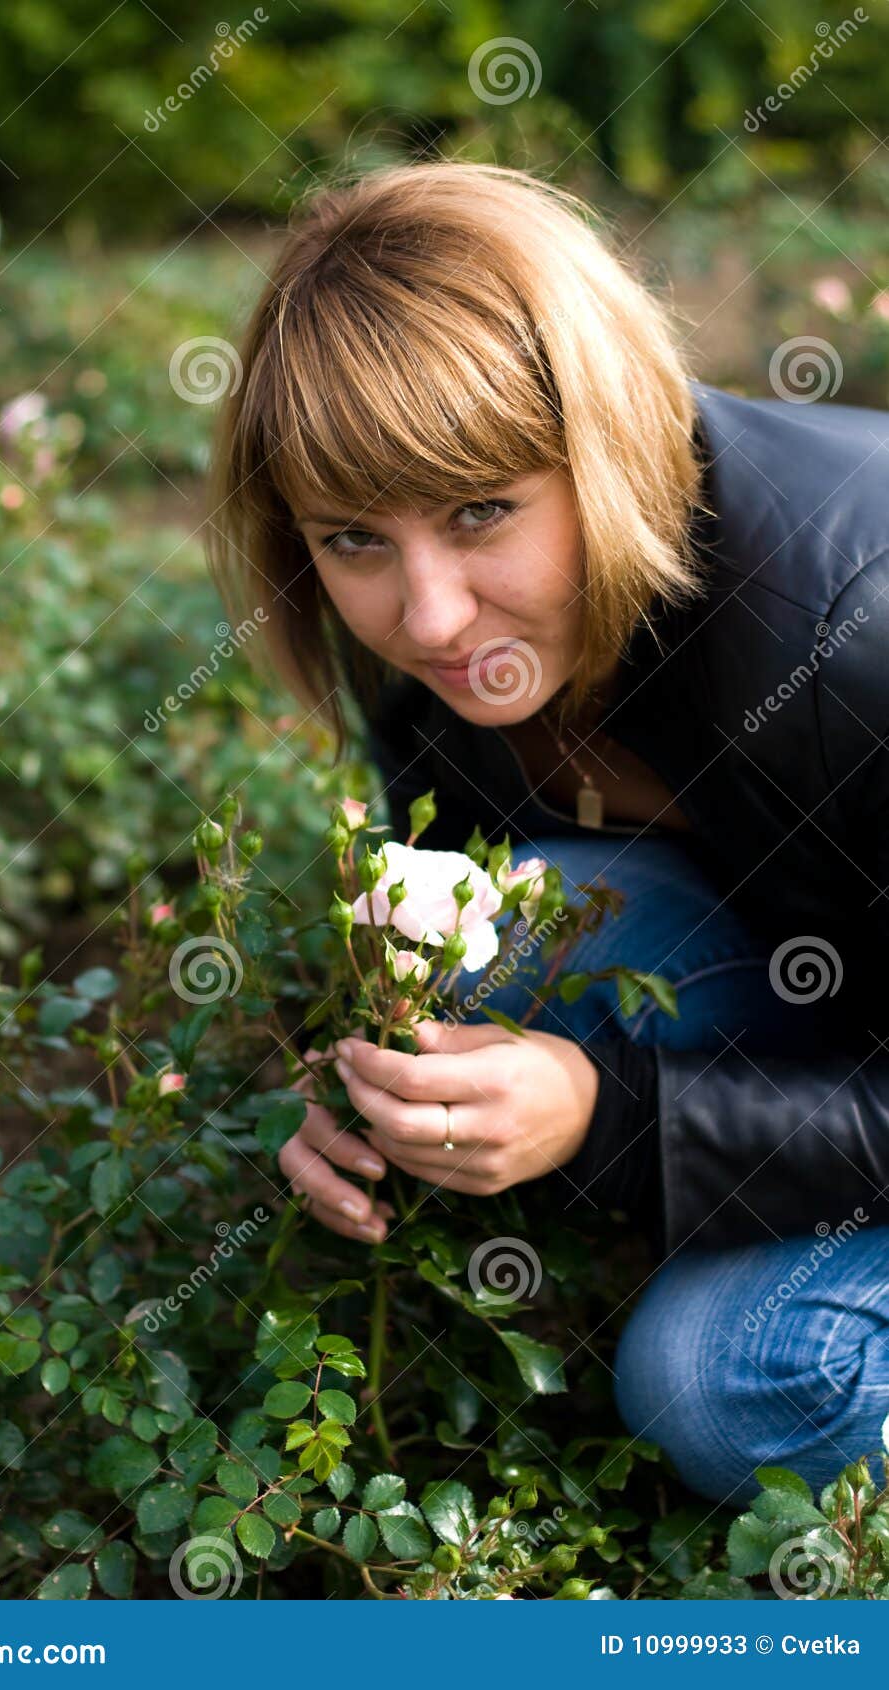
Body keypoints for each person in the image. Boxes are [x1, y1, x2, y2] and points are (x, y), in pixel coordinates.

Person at [205, 159, 889, 1507]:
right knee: (477, 938)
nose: (435, 615)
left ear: (607, 437)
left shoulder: (847, 635)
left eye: (481, 512)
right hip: (834, 997)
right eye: (354, 538)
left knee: (729, 1372)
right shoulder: (436, 645)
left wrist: (612, 1118)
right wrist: (344, 1079)